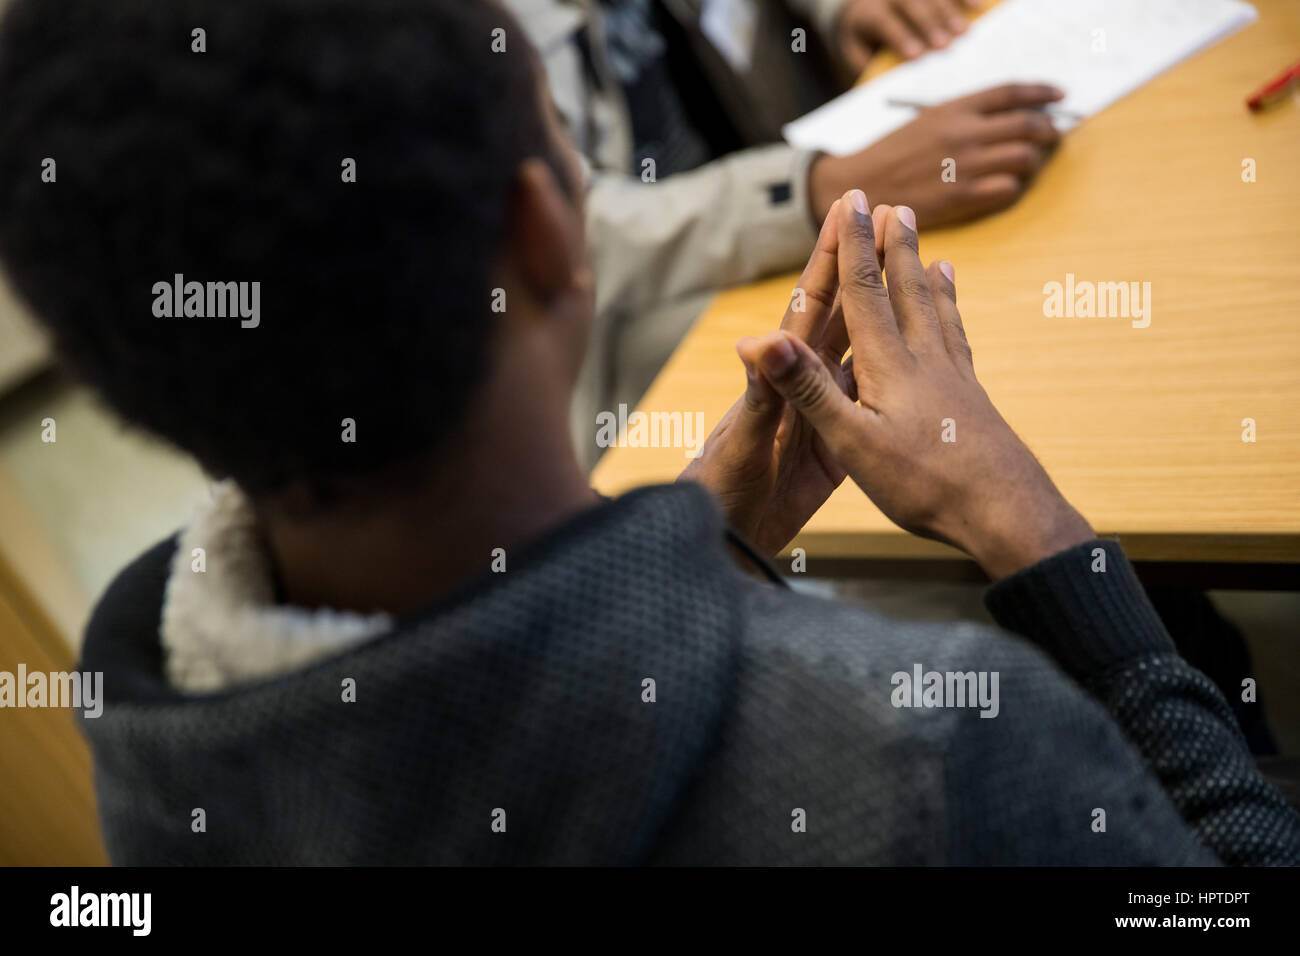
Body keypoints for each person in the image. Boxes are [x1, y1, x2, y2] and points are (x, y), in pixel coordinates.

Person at [0, 0, 1294, 865]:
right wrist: (1035, 533)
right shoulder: (948, 748)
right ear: (546, 230)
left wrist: (693, 563)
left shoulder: (153, 751)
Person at [505, 0, 1067, 462]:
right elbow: (571, 228)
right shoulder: (466, 34)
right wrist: (810, 189)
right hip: (639, 323)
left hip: (776, 210)